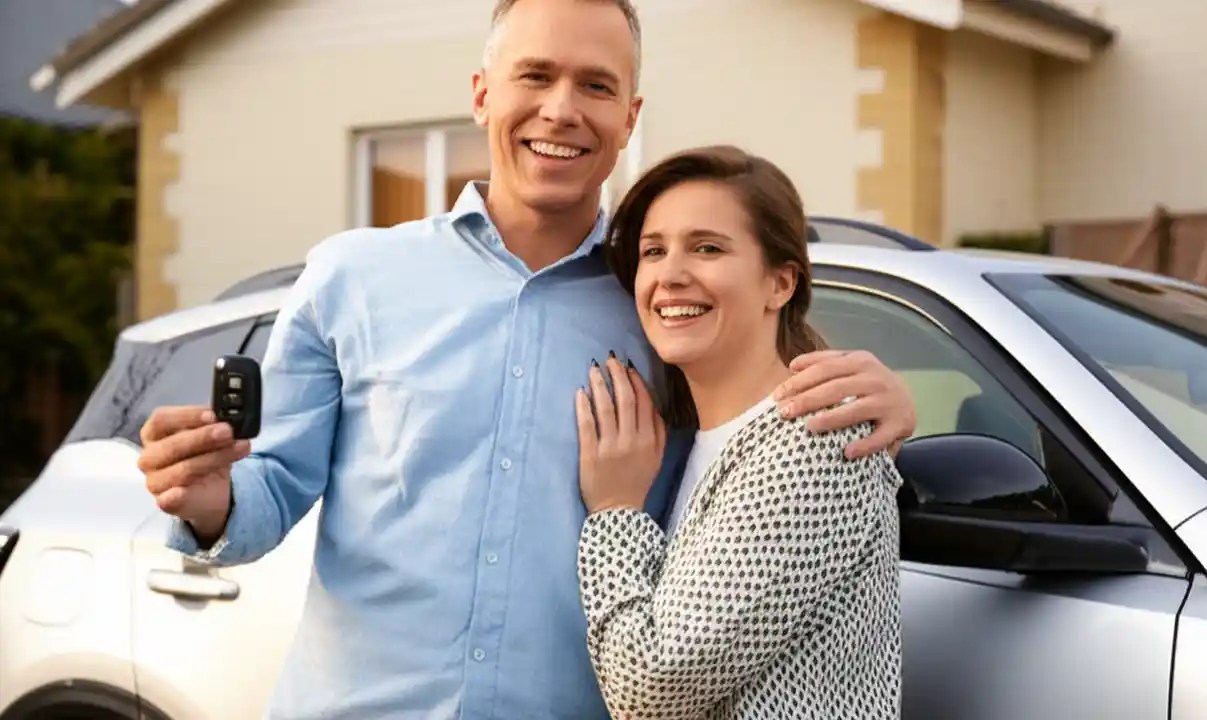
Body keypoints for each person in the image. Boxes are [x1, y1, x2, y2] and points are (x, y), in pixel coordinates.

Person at [135, 1, 916, 717]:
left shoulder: (663, 310)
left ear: (628, 117)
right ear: (481, 94)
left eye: (597, 86)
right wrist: (209, 500)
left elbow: (759, 412)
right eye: (535, 76)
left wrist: (891, 395)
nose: (562, 109)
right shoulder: (350, 278)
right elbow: (269, 489)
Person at [575, 146, 902, 718]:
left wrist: (615, 513)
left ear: (780, 283)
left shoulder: (814, 445)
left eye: (707, 248)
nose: (671, 275)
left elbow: (650, 688)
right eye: (654, 251)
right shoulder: (696, 441)